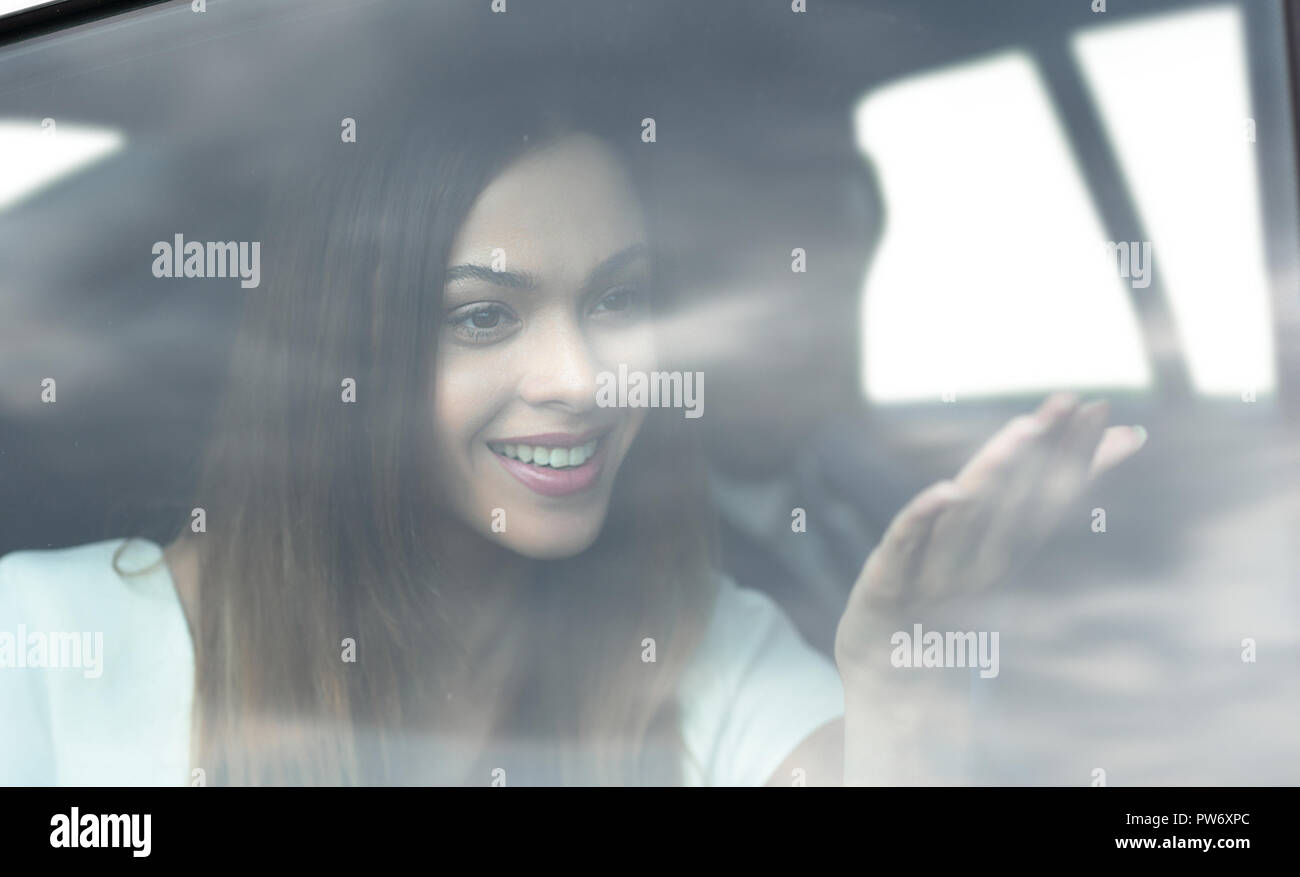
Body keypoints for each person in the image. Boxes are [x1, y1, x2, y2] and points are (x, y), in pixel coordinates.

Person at [0, 87, 1146, 787]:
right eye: (483, 317)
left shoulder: (707, 650)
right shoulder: (45, 646)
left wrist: (903, 689)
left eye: (617, 301)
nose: (584, 380)